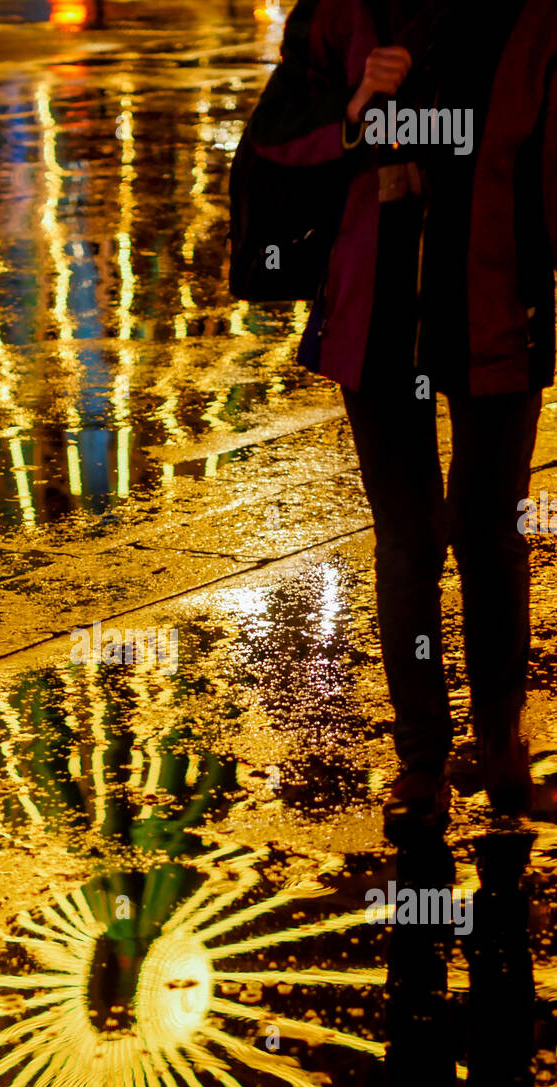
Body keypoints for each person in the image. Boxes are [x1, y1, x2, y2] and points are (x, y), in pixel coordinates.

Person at [248, 0, 557, 826]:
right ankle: (420, 761)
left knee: (491, 532)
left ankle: (502, 756)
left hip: (496, 305)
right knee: (409, 538)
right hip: (375, 312)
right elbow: (274, 132)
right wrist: (351, 109)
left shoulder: (536, 18)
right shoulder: (341, 11)